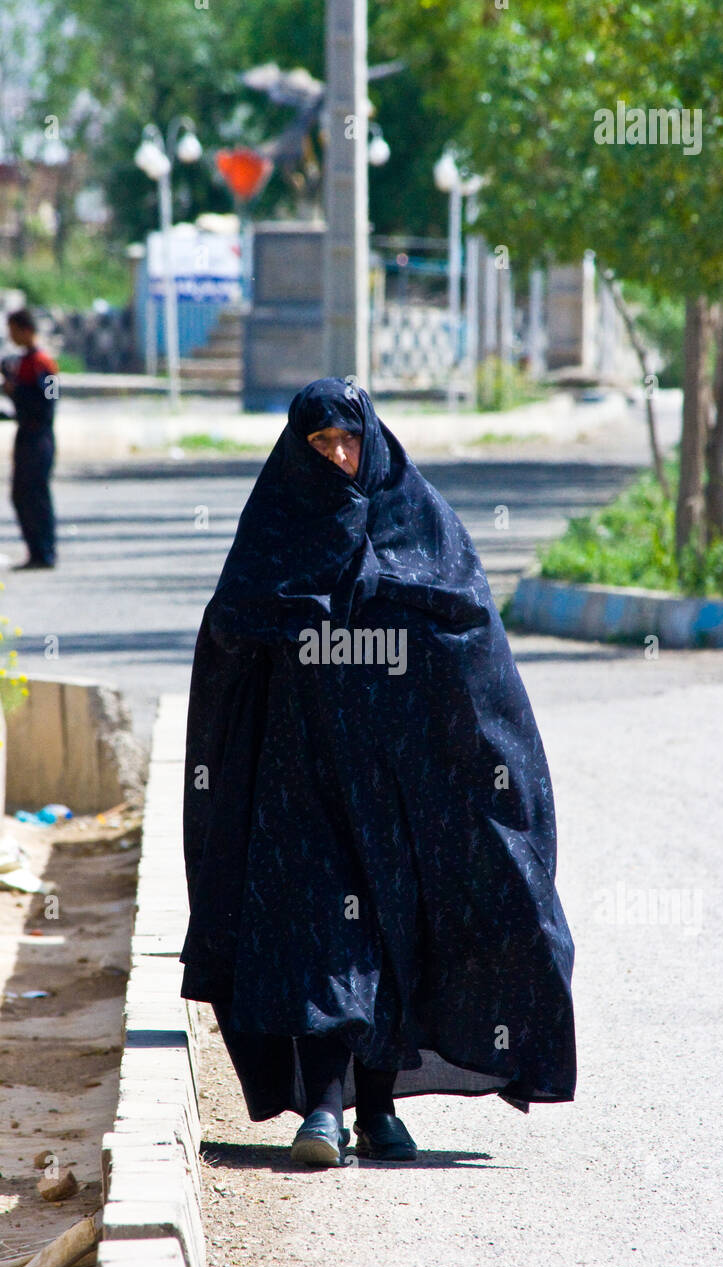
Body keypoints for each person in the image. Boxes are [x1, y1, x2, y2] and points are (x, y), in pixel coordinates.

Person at [180, 377, 576, 1167]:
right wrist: (295, 619)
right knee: (320, 934)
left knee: (394, 934)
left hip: (402, 787)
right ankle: (324, 1112)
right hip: (301, 778)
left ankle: (380, 1110)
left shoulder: (417, 522)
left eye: (347, 442)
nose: (336, 458)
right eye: (319, 446)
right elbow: (230, 625)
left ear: (373, 442)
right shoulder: (277, 527)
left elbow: (467, 629)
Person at [0, 308, 58, 569]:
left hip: (39, 436)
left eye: (13, 330)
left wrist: (17, 391)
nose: (10, 336)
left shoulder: (43, 363)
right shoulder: (24, 362)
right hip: (27, 434)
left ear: (25, 330)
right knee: (22, 494)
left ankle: (45, 552)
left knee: (36, 495)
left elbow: (49, 402)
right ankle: (36, 551)